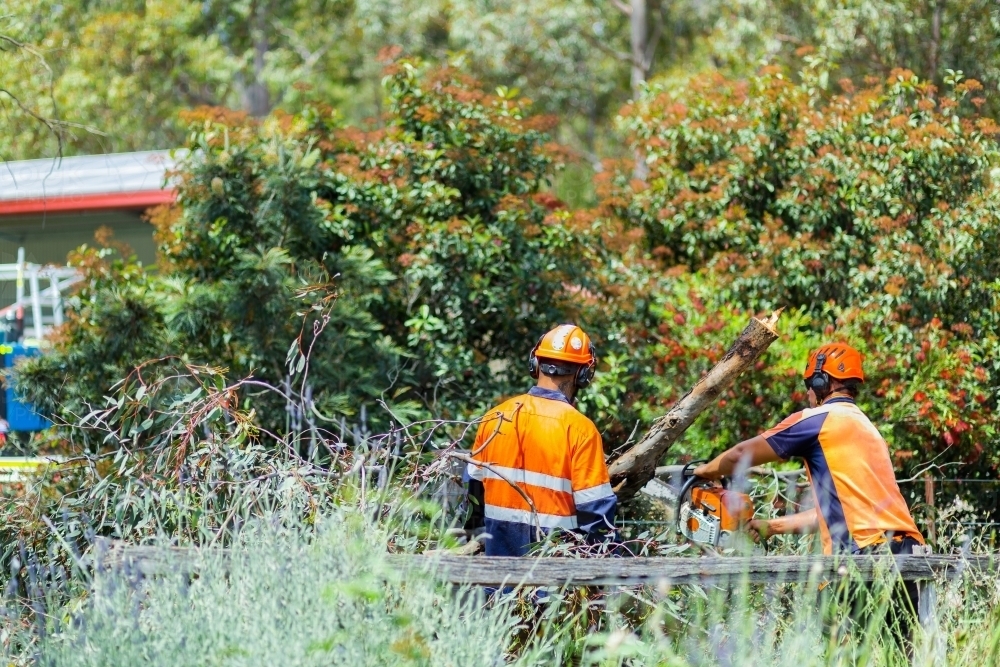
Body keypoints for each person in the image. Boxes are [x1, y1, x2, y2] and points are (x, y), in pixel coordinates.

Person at [692, 342, 925, 642]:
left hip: (862, 558)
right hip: (905, 552)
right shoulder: (867, 429)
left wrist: (703, 471)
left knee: (834, 650)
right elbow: (839, 512)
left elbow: (740, 456)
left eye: (808, 384)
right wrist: (772, 526)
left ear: (821, 380)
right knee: (896, 656)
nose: (807, 393)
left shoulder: (817, 420)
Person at [464, 324, 617, 557]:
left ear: (535, 364)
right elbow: (596, 513)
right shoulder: (580, 430)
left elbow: (473, 493)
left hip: (495, 568)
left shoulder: (495, 417)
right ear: (583, 374)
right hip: (552, 573)